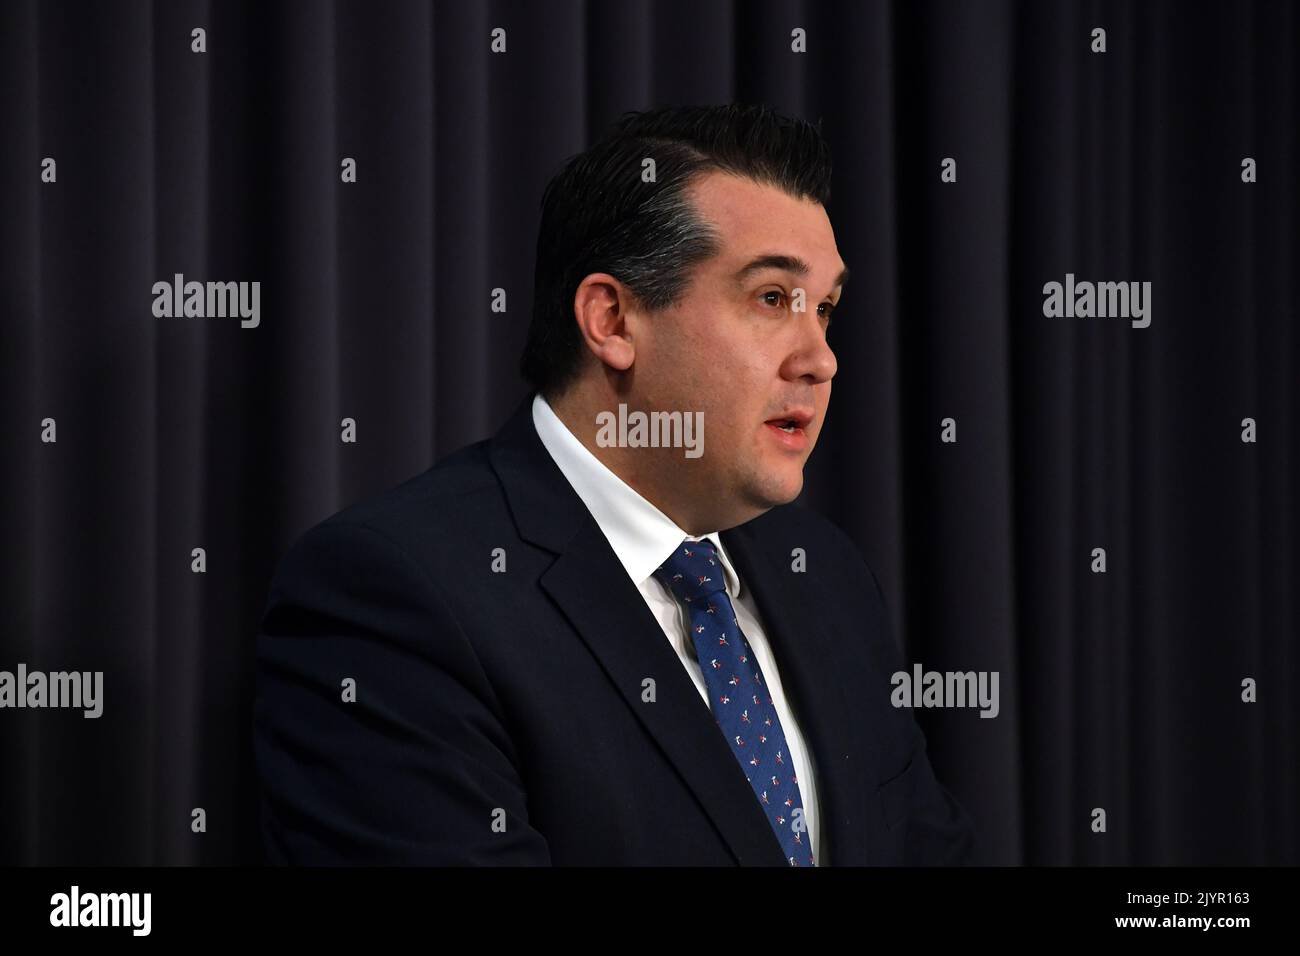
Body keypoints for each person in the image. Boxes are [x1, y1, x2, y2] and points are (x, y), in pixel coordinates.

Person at [254, 103, 975, 866]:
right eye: (772, 299)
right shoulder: (394, 594)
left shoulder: (825, 573)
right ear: (614, 320)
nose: (820, 359)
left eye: (824, 310)